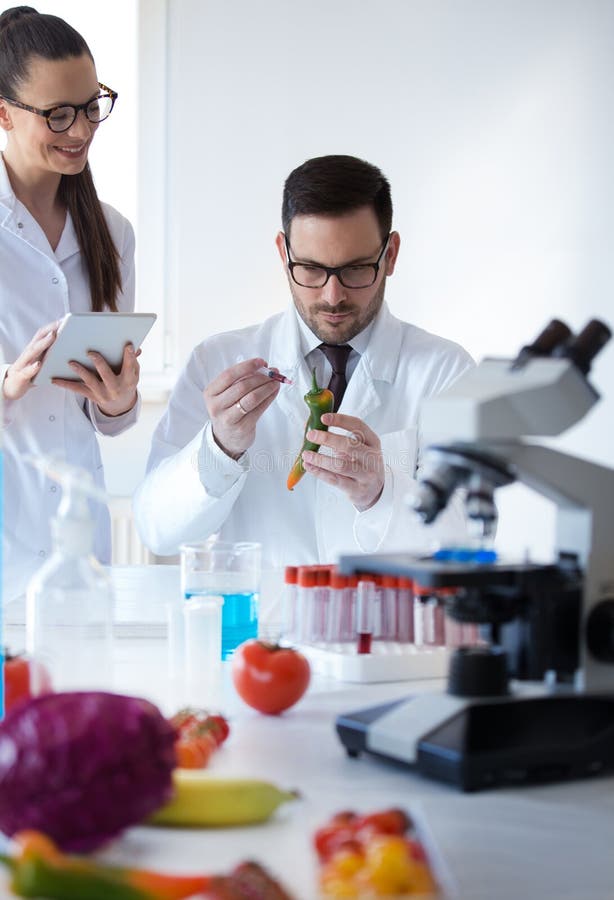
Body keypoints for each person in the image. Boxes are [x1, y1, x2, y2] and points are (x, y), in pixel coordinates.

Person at [134, 154, 473, 574]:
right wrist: (220, 446)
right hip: (263, 632)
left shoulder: (445, 373)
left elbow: (470, 542)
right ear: (283, 252)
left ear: (391, 255)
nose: (332, 296)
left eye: (355, 269)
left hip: (385, 635)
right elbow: (157, 530)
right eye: (311, 269)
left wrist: (382, 493)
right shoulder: (217, 361)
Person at [0, 6, 141, 604]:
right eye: (58, 113)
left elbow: (112, 420)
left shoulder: (112, 232)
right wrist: (8, 386)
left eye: (91, 105)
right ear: (3, 113)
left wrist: (119, 399)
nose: (81, 129)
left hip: (82, 545)